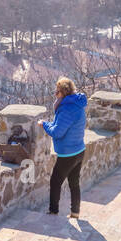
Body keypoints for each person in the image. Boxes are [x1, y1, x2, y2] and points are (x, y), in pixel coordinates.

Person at [40, 77, 87, 218]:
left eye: (57, 91)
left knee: (55, 182)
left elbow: (57, 132)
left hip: (68, 153)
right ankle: (75, 213)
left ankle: (53, 211)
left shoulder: (66, 109)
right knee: (74, 183)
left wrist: (44, 124)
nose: (55, 94)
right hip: (79, 150)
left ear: (64, 93)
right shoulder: (78, 105)